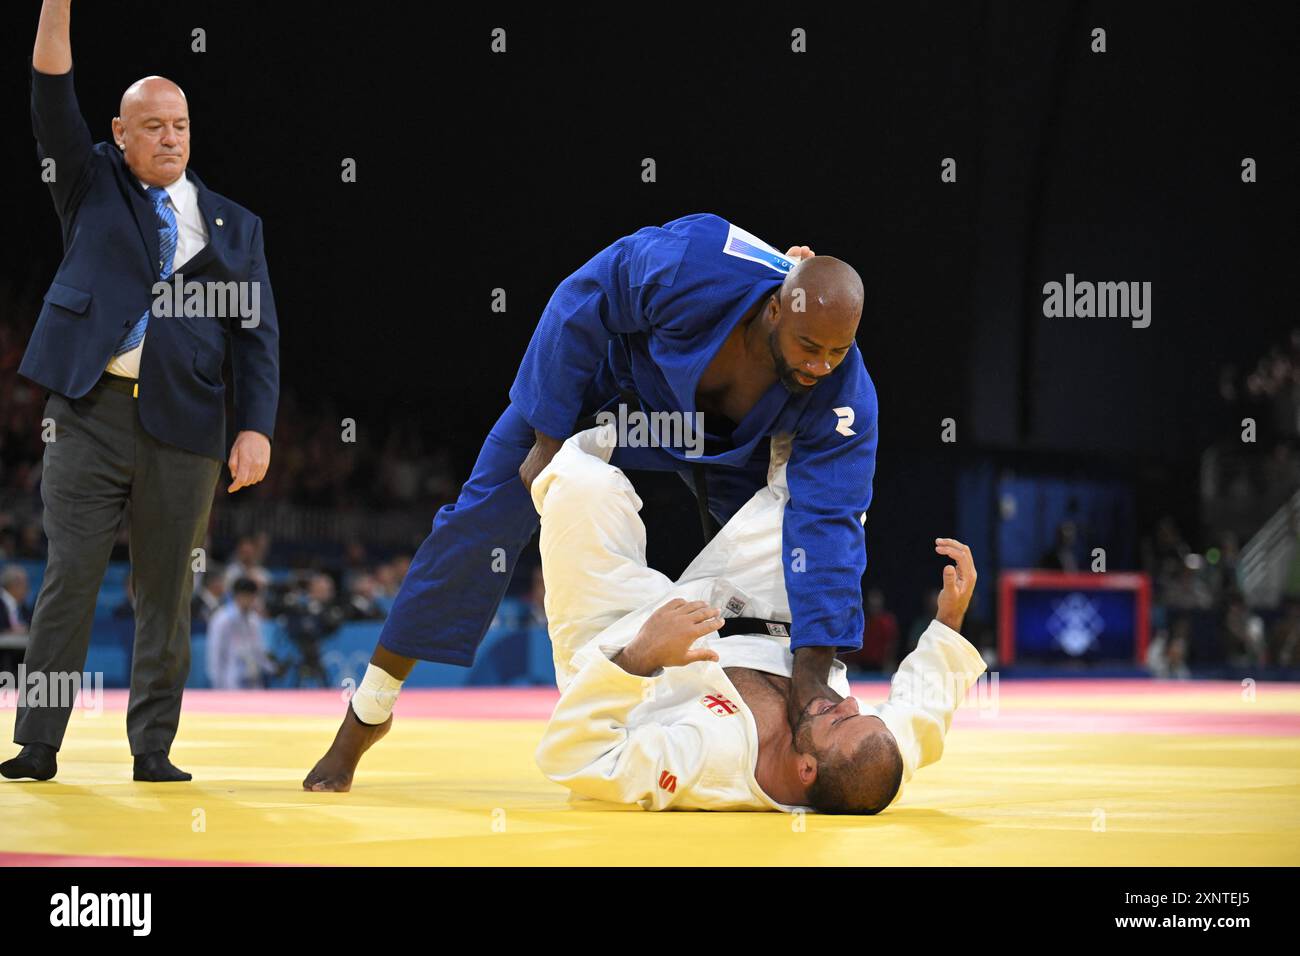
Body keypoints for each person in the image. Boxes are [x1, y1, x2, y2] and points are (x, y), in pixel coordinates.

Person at [306, 216, 877, 792]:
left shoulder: (843, 390)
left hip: (730, 447)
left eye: (837, 351)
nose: (820, 366)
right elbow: (583, 296)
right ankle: (368, 714)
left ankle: (709, 704)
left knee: (786, 559)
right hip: (618, 397)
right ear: (776, 310)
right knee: (480, 521)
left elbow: (829, 523)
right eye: (809, 347)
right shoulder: (694, 262)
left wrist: (813, 678)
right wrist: (550, 440)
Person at [3, 1, 280, 783]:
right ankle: (38, 744)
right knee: (71, 578)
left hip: (187, 428)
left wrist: (255, 427)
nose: (169, 137)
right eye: (152, 125)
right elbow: (49, 88)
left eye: (180, 125)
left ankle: (152, 749)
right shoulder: (89, 184)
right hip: (87, 416)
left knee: (167, 593)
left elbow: (257, 337)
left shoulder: (235, 227)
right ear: (120, 135)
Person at [529, 425, 983, 811]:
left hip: (624, 637)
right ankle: (783, 399)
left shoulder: (707, 765)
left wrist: (639, 656)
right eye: (859, 712)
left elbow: (574, 757)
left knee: (580, 484)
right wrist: (949, 621)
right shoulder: (869, 756)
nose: (849, 704)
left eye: (840, 719)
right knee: (834, 504)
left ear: (806, 770)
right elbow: (923, 712)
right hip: (754, 609)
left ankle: (568, 438)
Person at [206, 577, 272, 690]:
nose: (250, 600)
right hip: (230, 681)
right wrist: (217, 686)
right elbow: (215, 654)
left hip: (253, 680)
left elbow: (258, 650)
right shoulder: (222, 619)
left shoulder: (253, 620)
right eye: (247, 596)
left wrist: (271, 668)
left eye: (252, 597)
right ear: (237, 595)